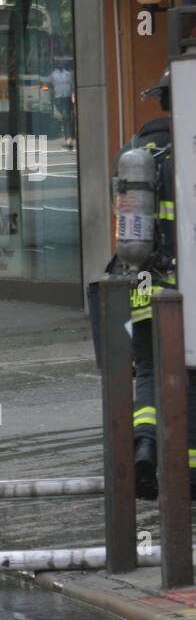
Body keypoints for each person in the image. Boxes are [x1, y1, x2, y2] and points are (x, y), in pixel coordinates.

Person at [113, 68, 196, 500]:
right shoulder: (188, 147)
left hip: (140, 285)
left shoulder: (133, 153)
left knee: (146, 368)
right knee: (187, 372)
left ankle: (144, 445)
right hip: (185, 287)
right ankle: (190, 470)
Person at [52, 63, 73, 145]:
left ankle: (68, 136)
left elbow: (72, 85)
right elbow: (51, 86)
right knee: (65, 117)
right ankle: (67, 135)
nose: (60, 64)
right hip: (58, 98)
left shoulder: (68, 74)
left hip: (67, 98)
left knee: (66, 116)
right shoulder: (53, 74)